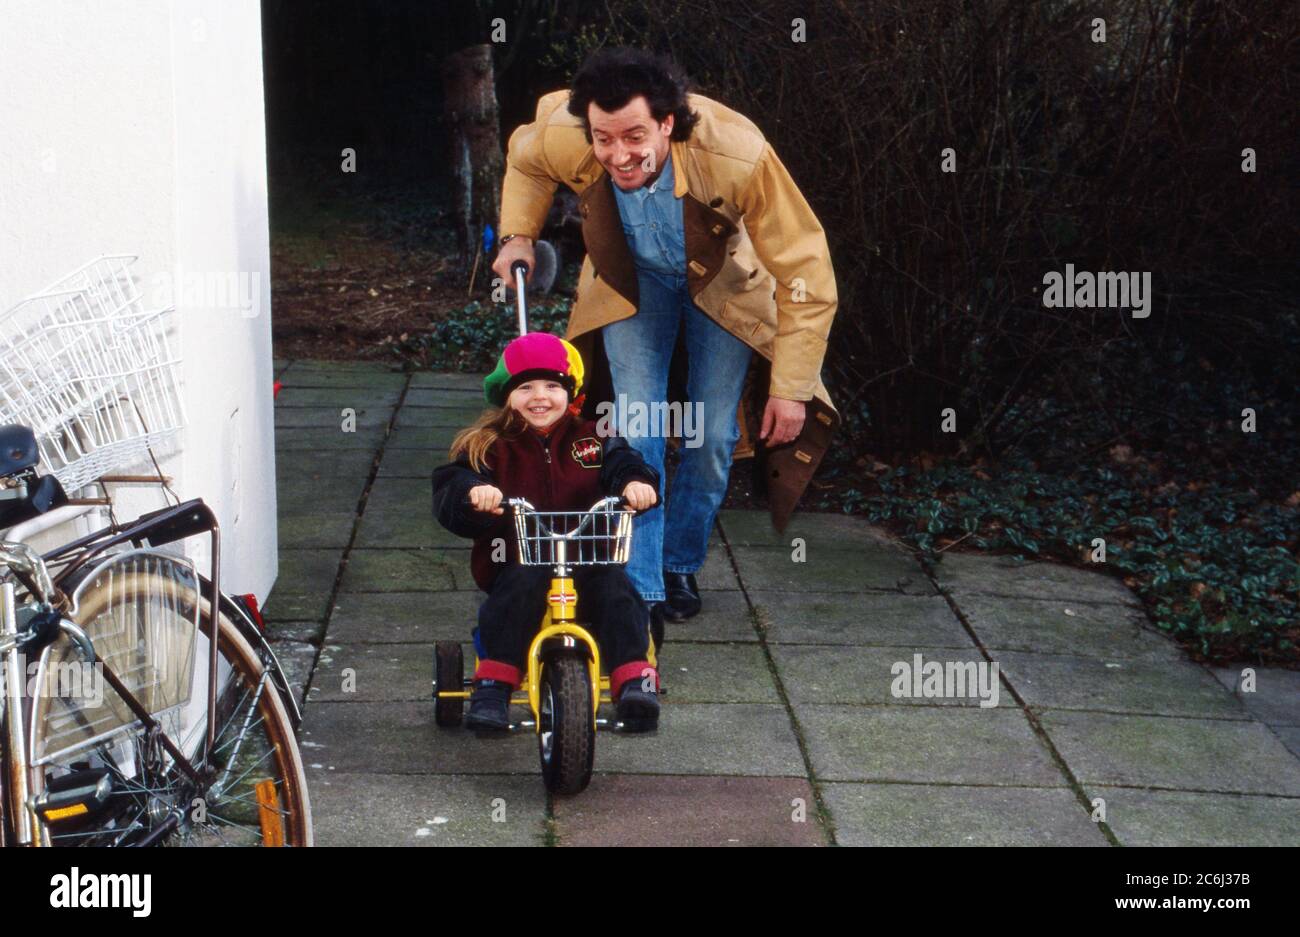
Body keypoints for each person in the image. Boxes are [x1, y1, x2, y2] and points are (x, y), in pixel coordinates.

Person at [490, 47, 841, 631]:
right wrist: (518, 235)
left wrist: (793, 386)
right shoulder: (567, 133)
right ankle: (641, 586)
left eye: (634, 136)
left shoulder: (738, 152)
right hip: (631, 285)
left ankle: (679, 561)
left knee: (713, 437)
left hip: (723, 286)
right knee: (638, 425)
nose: (619, 155)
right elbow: (524, 160)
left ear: (667, 122)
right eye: (604, 140)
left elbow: (806, 269)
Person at [431, 331, 662, 733]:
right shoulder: (489, 446)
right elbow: (452, 484)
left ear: (570, 394)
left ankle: (634, 682)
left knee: (618, 591)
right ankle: (493, 685)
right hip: (517, 559)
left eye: (553, 385)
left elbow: (624, 462)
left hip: (589, 558)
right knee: (516, 592)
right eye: (526, 387)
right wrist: (474, 493)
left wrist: (634, 483)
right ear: (506, 396)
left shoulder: (595, 438)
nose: (540, 396)